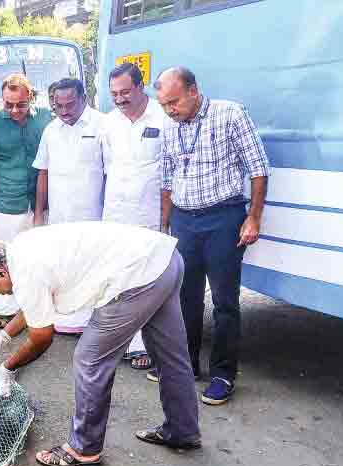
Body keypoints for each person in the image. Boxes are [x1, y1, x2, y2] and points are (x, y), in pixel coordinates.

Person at [0, 223, 201, 466]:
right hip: (164, 258)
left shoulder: (26, 273)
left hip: (136, 277)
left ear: (0, 273)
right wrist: (5, 334)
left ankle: (83, 449)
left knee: (90, 360)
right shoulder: (20, 249)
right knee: (170, 355)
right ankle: (183, 430)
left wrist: (8, 367)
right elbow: (35, 302)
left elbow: (42, 337)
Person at [155, 67, 270, 405]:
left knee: (224, 302)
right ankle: (186, 364)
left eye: (174, 102)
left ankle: (223, 374)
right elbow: (166, 178)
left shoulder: (229, 114)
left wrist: (253, 218)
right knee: (185, 296)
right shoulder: (169, 127)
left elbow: (258, 168)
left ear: (193, 91)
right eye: (163, 105)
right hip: (184, 221)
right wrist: (166, 224)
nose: (169, 110)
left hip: (224, 219)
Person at [102, 62, 170, 371]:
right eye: (114, 93)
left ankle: (145, 345)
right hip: (116, 213)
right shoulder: (110, 123)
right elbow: (108, 167)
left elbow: (170, 171)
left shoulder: (163, 117)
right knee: (118, 280)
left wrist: (167, 217)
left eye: (125, 92)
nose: (119, 99)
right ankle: (120, 342)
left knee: (148, 280)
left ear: (140, 87)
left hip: (149, 213)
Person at [31, 78, 106, 335]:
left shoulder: (102, 125)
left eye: (70, 105)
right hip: (60, 216)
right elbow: (43, 172)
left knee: (91, 267)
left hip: (92, 216)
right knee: (65, 267)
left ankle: (93, 320)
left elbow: (111, 173)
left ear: (83, 98)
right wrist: (39, 213)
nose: (64, 111)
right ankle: (69, 317)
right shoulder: (51, 130)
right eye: (58, 106)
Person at [0, 74, 51, 328]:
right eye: (8, 104)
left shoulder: (46, 118)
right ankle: (4, 310)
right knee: (5, 257)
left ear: (31, 98)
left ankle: (36, 309)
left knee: (38, 258)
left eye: (20, 105)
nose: (14, 110)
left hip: (40, 202)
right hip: (7, 203)